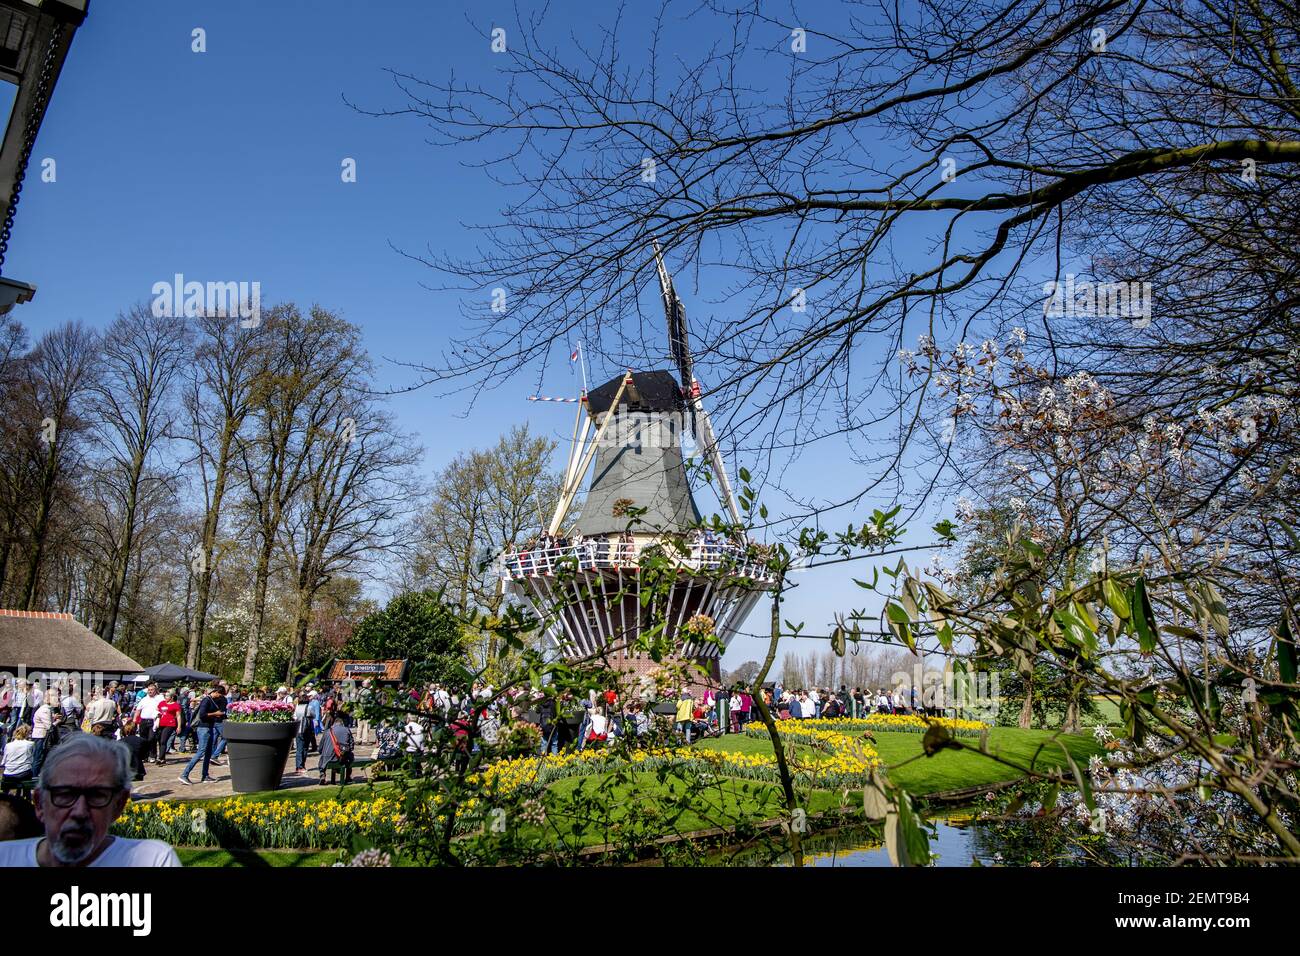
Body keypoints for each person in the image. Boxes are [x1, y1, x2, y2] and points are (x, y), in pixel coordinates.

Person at [0, 734, 179, 866]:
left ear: (119, 805)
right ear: (39, 803)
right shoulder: (6, 858)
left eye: (97, 795)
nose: (80, 811)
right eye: (65, 794)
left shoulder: (151, 860)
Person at [179, 685, 225, 785]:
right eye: (219, 694)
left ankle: (205, 775)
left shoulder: (212, 700)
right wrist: (215, 713)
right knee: (201, 752)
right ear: (215, 692)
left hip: (209, 727)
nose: (220, 696)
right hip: (203, 728)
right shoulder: (206, 700)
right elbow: (202, 715)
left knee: (208, 753)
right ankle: (184, 774)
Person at [317, 713, 354, 784]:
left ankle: (322, 775)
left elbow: (320, 748)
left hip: (327, 758)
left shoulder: (327, 731)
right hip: (342, 757)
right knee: (350, 756)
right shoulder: (347, 730)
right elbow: (351, 746)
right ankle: (348, 777)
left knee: (322, 758)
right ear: (342, 723)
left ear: (334, 724)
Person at [2, 725, 35, 791]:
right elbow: (32, 759)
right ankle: (26, 795)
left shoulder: (8, 745)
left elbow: (3, 762)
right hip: (23, 773)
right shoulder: (30, 744)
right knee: (28, 770)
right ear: (27, 734)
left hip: (8, 774)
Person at [155, 689, 181, 764]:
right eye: (165, 696)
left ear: (172, 697)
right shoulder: (162, 703)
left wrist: (179, 726)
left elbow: (178, 716)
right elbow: (157, 710)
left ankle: (160, 758)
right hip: (160, 723)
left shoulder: (175, 705)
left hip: (170, 724)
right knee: (160, 741)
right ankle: (162, 758)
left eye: (167, 696)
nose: (165, 697)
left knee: (163, 740)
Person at [291, 694, 314, 775]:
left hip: (298, 730)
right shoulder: (309, 707)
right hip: (306, 730)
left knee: (299, 748)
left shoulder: (297, 708)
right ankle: (301, 766)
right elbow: (313, 715)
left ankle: (299, 766)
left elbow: (294, 717)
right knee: (305, 748)